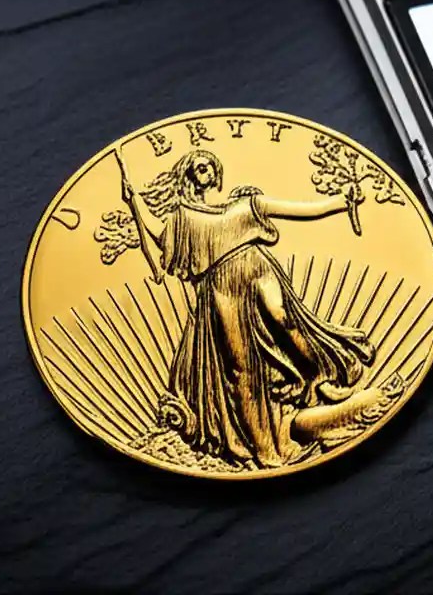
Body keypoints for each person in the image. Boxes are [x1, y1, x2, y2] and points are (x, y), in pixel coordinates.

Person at [123, 149, 374, 467]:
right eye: (196, 167)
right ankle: (266, 449)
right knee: (241, 368)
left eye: (207, 165)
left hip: (258, 270)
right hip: (223, 289)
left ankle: (322, 380)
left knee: (287, 321)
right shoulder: (185, 219)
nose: (203, 170)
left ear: (215, 172)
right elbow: (160, 236)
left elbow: (300, 210)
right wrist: (134, 202)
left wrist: (341, 201)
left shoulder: (246, 205)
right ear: (189, 175)